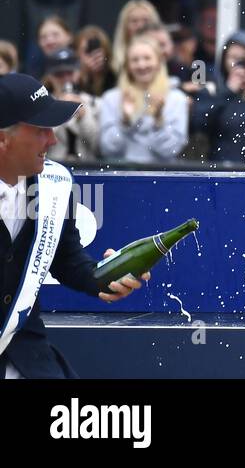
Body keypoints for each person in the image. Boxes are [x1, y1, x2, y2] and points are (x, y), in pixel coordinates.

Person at [1, 74, 149, 377]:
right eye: (41, 129)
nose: (53, 140)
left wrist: (106, 279)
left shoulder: (54, 184)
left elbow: (67, 260)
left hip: (27, 359)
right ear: (4, 138)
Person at [98, 37, 188, 165]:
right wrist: (125, 122)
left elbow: (172, 149)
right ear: (127, 65)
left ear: (159, 62)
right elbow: (108, 149)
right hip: (122, 175)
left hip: (162, 177)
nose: (141, 65)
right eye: (135, 60)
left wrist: (158, 121)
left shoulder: (176, 98)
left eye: (147, 58)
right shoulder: (111, 98)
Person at [191, 32, 245, 163]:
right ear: (223, 60)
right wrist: (228, 91)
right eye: (233, 58)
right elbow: (199, 126)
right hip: (220, 170)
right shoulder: (213, 90)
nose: (238, 65)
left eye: (244, 59)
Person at [42, 48, 100, 163]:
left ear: (78, 73)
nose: (65, 79)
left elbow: (99, 148)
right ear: (49, 76)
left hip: (88, 168)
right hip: (53, 167)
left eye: (70, 73)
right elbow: (39, 145)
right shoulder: (42, 104)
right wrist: (58, 112)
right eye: (59, 74)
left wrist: (84, 117)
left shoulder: (94, 103)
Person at [110, 0, 162, 77]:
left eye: (145, 20)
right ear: (125, 27)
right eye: (134, 21)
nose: (140, 26)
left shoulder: (167, 58)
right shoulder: (112, 64)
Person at [73, 26, 115, 97]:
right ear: (77, 53)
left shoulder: (113, 78)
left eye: (97, 50)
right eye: (87, 50)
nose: (93, 55)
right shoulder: (73, 78)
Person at [31, 15, 75, 80]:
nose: (50, 41)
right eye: (43, 37)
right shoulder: (35, 73)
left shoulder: (84, 68)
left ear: (69, 36)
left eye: (55, 35)